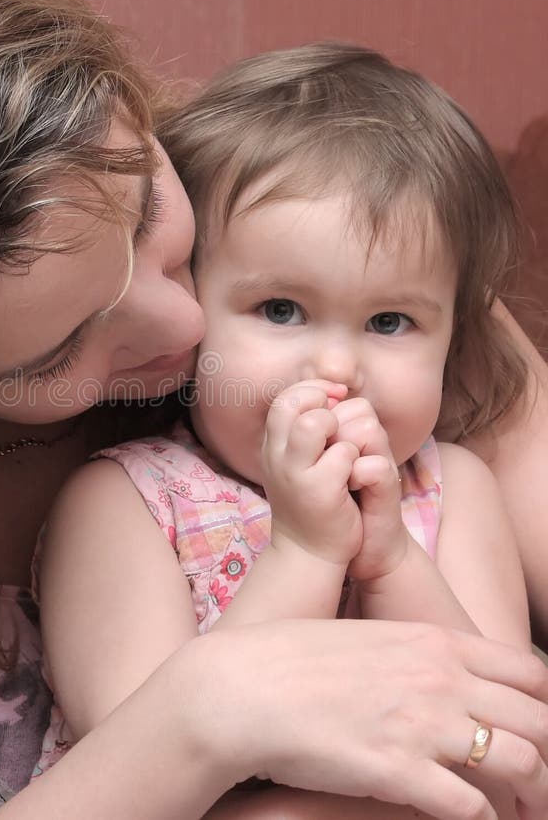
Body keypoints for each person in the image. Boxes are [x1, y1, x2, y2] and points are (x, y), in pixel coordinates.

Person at [0, 0, 548, 820]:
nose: (187, 323)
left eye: (145, 217)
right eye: (56, 351)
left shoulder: (297, 200)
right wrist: (215, 700)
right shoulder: (120, 504)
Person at [37, 43, 538, 816]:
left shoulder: (451, 488)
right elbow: (152, 750)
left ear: (455, 341)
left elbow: (508, 743)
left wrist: (392, 559)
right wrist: (306, 552)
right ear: (194, 300)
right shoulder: (125, 501)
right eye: (280, 309)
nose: (336, 365)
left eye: (390, 320)